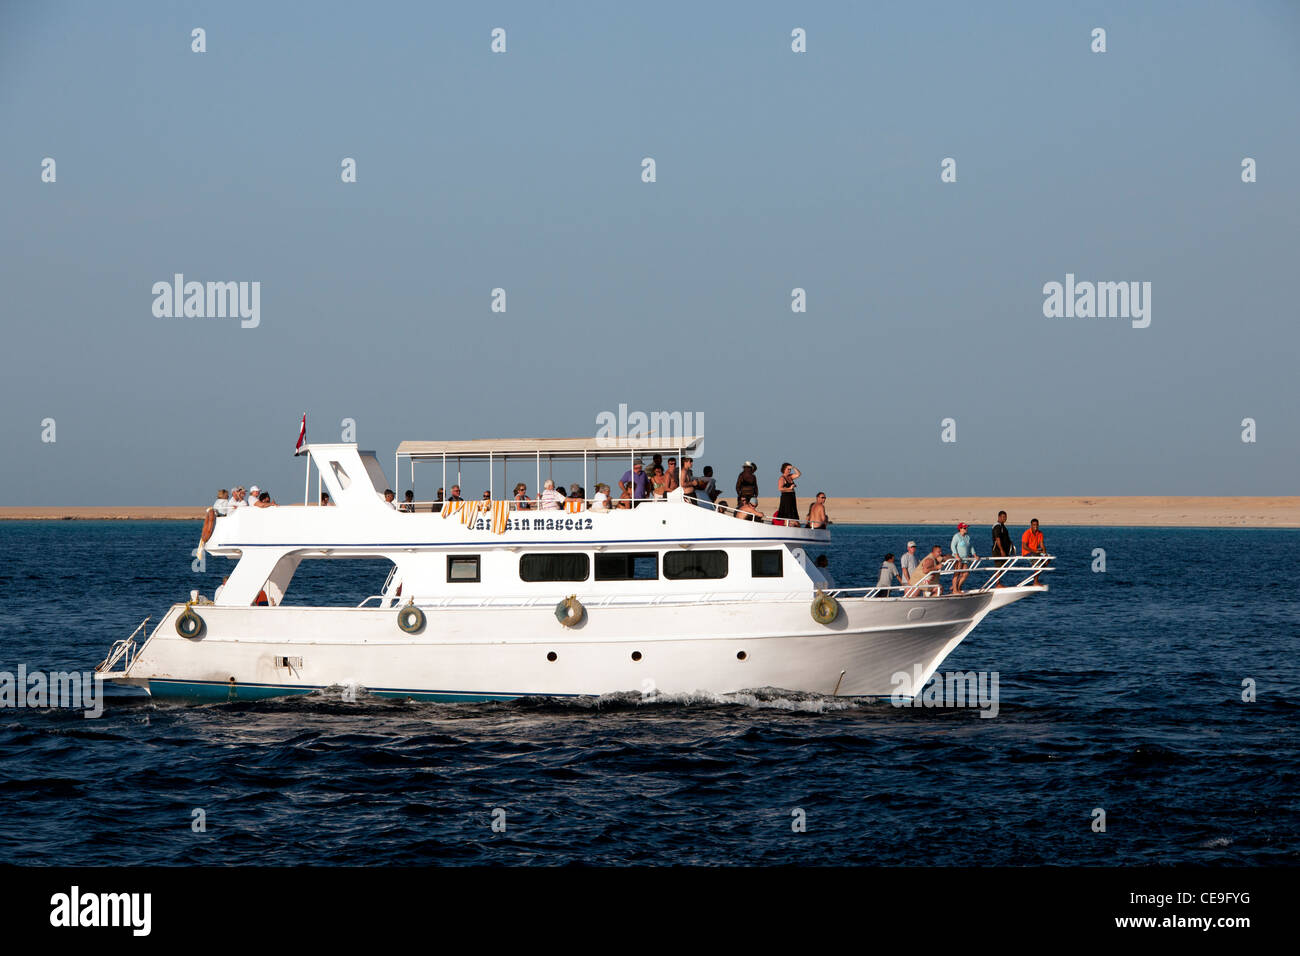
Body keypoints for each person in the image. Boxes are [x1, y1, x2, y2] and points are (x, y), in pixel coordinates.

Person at [949, 522, 977, 594]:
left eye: (966, 528)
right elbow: (952, 546)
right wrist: (956, 555)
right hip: (958, 558)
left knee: (966, 573)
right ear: (960, 529)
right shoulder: (956, 536)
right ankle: (955, 590)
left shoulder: (967, 537)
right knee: (957, 573)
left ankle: (957, 587)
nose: (966, 529)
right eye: (964, 528)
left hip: (965, 559)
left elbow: (970, 547)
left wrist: (974, 555)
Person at [990, 510, 1012, 586]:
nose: (1004, 518)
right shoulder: (997, 526)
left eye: (1005, 517)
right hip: (998, 551)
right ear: (999, 517)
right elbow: (997, 538)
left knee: (1003, 566)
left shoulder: (1003, 526)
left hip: (1005, 551)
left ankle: (998, 582)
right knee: (998, 566)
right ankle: (997, 583)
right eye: (1003, 517)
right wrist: (1001, 550)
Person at [1022, 518, 1046, 584]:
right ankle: (1035, 581)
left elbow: (1041, 544)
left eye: (1037, 525)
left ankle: (1036, 578)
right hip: (1028, 553)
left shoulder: (1040, 533)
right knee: (1038, 564)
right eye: (1034, 525)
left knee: (1047, 559)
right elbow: (1024, 546)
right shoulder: (1027, 533)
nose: (1035, 526)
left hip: (1035, 552)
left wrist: (1044, 553)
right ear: (1031, 525)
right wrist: (1034, 551)